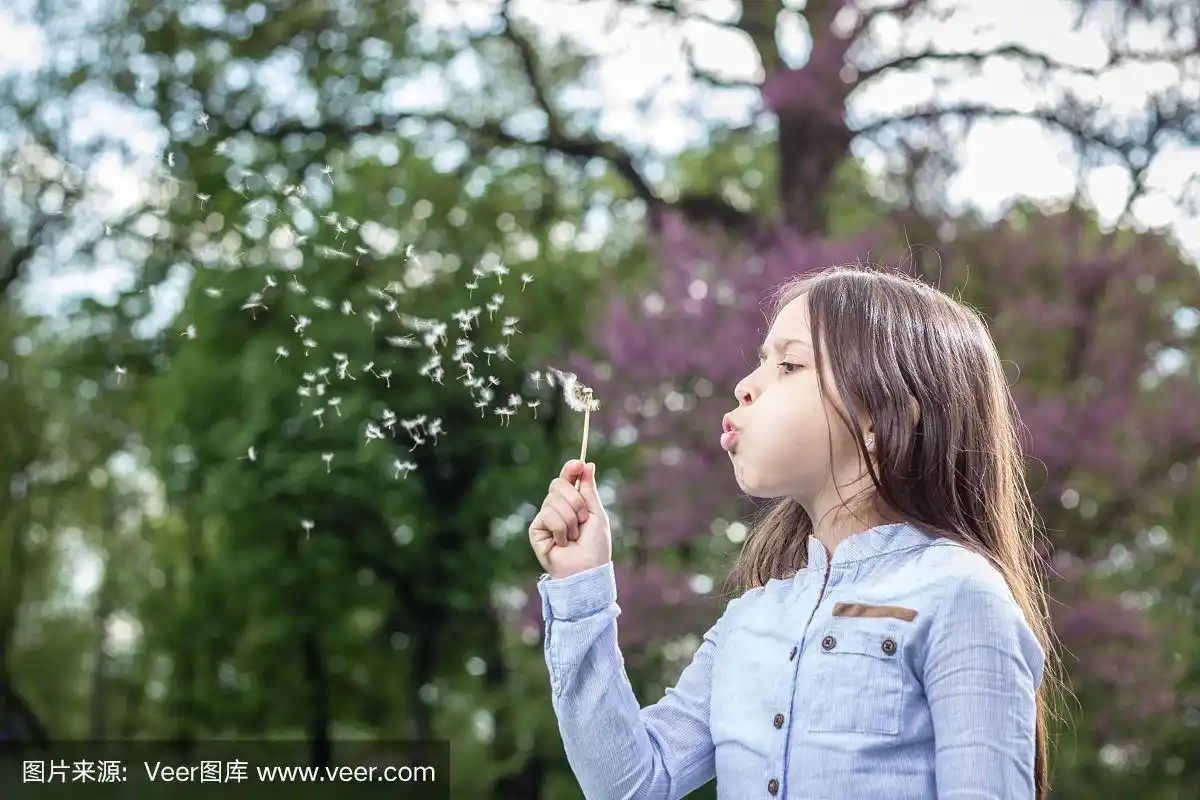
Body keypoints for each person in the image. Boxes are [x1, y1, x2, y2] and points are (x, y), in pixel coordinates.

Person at [527, 265, 1058, 800]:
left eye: (788, 364)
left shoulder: (960, 595)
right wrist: (582, 590)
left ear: (879, 418)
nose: (745, 386)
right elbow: (633, 783)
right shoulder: (749, 621)